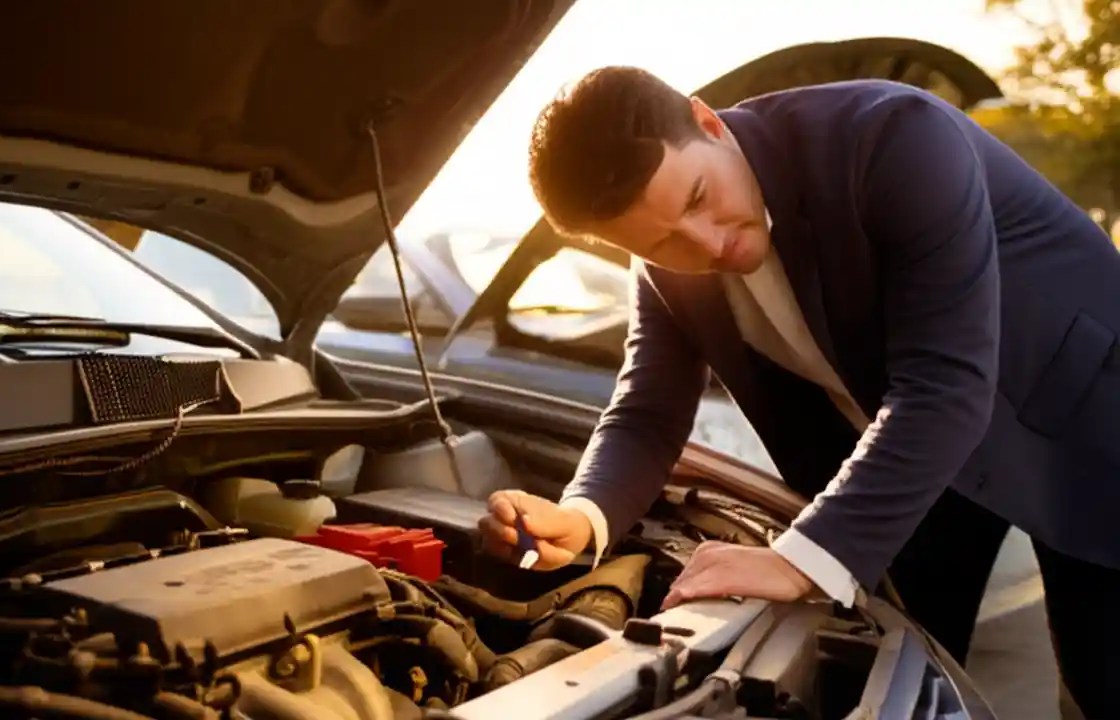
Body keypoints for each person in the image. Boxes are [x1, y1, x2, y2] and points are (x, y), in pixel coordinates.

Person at [477, 67, 1119, 717]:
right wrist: (583, 515)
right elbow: (646, 411)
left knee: (1104, 681)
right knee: (903, 674)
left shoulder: (894, 137)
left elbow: (944, 383)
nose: (707, 244)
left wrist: (799, 561)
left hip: (1085, 413)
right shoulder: (666, 272)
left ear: (709, 122)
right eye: (663, 241)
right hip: (916, 457)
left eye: (699, 198)